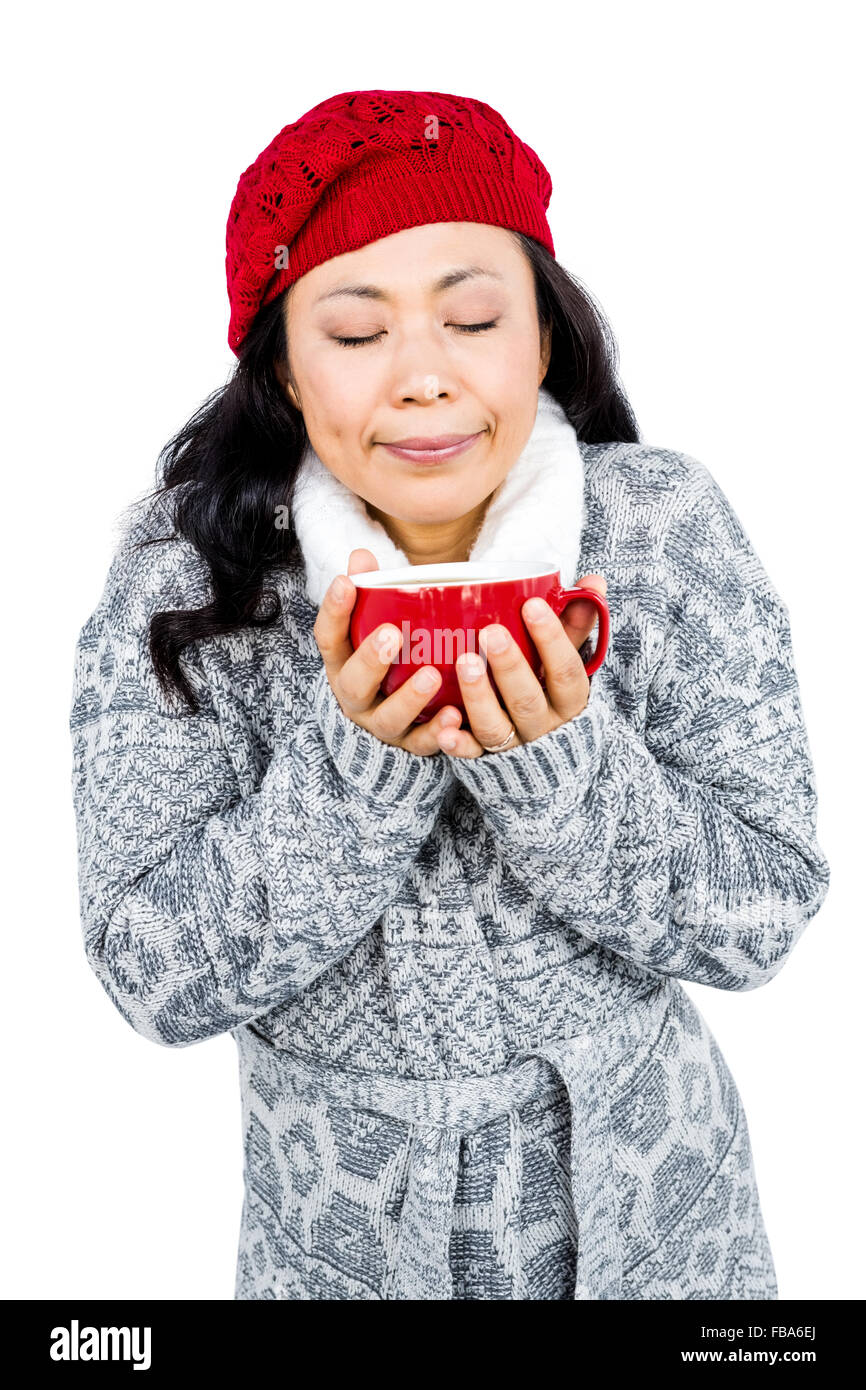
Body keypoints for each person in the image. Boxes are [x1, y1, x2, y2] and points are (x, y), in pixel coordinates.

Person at [68, 88, 830, 1300]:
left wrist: (562, 762)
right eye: (357, 335)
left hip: (667, 1244)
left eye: (472, 317)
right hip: (343, 1254)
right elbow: (150, 977)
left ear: (542, 337)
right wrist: (353, 771)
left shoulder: (662, 529)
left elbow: (763, 915)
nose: (422, 378)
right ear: (281, 370)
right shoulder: (185, 587)